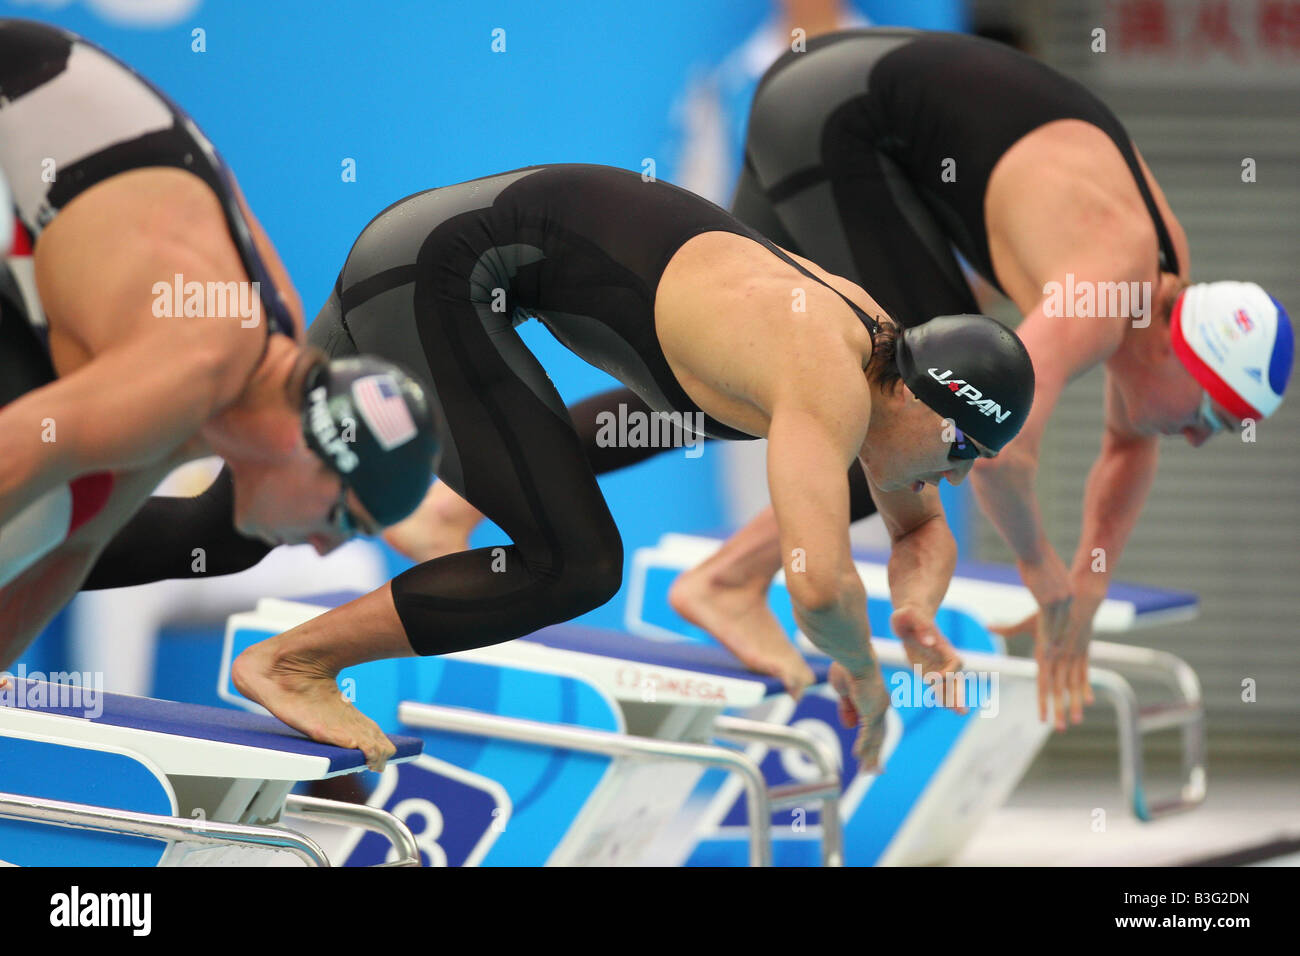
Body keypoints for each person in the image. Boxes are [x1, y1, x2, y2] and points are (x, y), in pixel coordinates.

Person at [392, 28, 1294, 731]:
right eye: (1212, 415)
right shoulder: (1117, 282)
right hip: (841, 119)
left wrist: (1084, 598)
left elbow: (1130, 449)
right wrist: (1046, 582)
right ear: (1185, 352)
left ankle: (459, 510)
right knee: (902, 416)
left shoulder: (1159, 316)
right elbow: (1004, 453)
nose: (1200, 437)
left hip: (824, 105)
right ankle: (730, 582)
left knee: (736, 383)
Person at [85, 163, 1036, 771]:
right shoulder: (824, 380)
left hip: (430, 250)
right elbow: (820, 581)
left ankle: (22, 550)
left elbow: (916, 527)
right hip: (437, 275)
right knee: (575, 562)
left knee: (225, 531)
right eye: (964, 453)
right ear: (927, 398)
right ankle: (292, 663)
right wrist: (868, 683)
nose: (956, 478)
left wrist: (915, 613)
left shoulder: (885, 368)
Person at [0, 19, 440, 675]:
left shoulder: (234, 379)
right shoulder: (193, 367)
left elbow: (73, 551)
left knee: (50, 525)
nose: (321, 550)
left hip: (40, 175)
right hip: (19, 111)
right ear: (313, 449)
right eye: (341, 523)